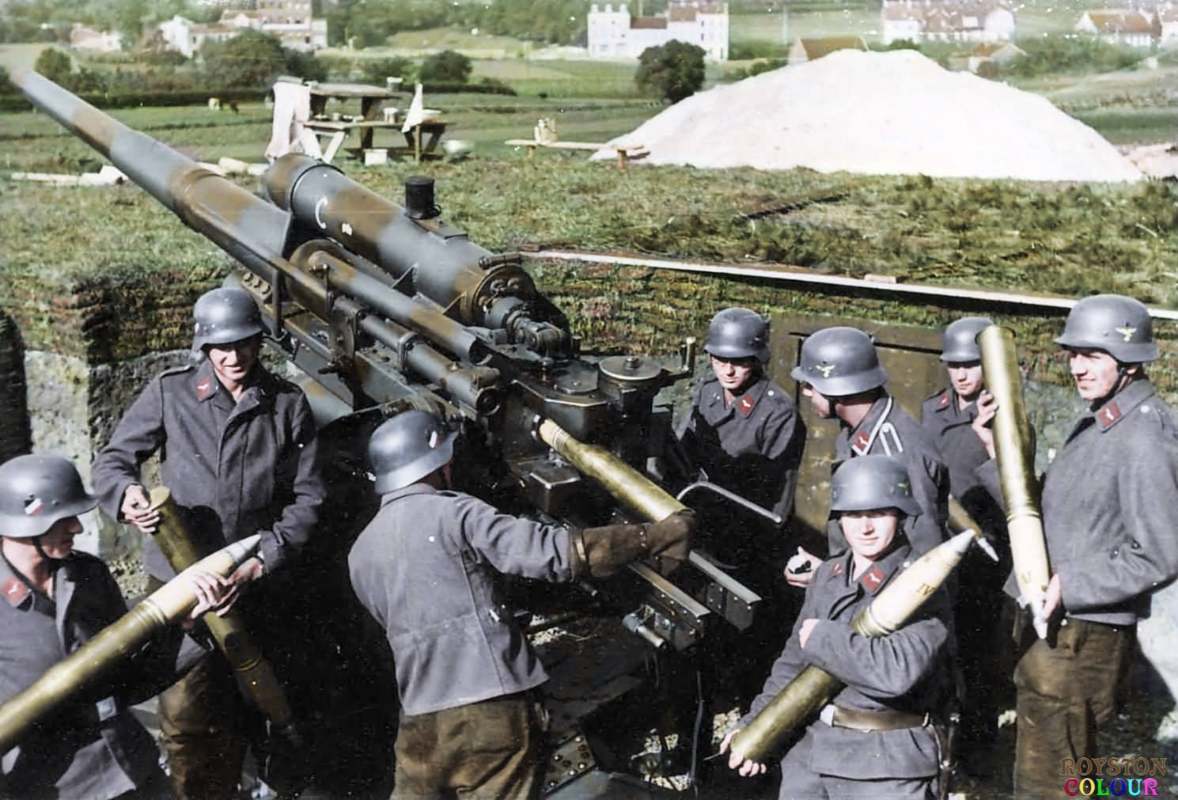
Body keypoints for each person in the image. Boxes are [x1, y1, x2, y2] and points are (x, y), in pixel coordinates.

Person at [348, 409, 695, 799]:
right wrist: (654, 535)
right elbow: (555, 555)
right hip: (491, 709)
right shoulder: (454, 512)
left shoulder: (359, 554)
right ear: (439, 463)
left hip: (421, 720)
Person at [91, 286, 325, 799]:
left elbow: (309, 499)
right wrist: (127, 493)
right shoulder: (170, 393)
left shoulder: (286, 404)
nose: (233, 357)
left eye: (243, 343)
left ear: (258, 342)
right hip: (180, 585)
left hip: (255, 585)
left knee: (270, 704)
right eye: (221, 347)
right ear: (204, 348)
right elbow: (112, 460)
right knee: (187, 715)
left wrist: (262, 560)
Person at [972, 294, 1178, 799]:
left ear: (1129, 363)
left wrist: (1073, 583)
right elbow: (1058, 515)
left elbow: (1161, 551)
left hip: (1082, 638)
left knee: (1051, 784)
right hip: (1060, 633)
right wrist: (998, 455)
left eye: (1092, 355)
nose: (1077, 367)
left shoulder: (1143, 435)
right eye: (1073, 354)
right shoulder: (1105, 421)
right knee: (1056, 773)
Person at [721, 455, 953, 800]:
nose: (865, 527)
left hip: (883, 766)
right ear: (839, 518)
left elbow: (896, 673)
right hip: (813, 754)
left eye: (878, 513)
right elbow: (792, 663)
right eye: (854, 515)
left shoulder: (921, 583)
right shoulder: (830, 574)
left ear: (901, 514)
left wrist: (825, 638)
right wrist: (757, 722)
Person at [0, 453, 226, 800]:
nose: (76, 527)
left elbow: (128, 680)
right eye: (64, 518)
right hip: (53, 788)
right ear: (25, 523)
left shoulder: (88, 575)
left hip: (134, 773)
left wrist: (189, 629)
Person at [786, 326, 949, 586]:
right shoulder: (855, 433)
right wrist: (832, 574)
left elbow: (923, 559)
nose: (806, 392)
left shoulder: (897, 452)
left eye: (810, 385)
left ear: (836, 387)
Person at [920, 316, 1013, 763]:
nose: (961, 375)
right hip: (940, 546)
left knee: (979, 658)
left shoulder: (1005, 415)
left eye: (971, 365)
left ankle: (977, 750)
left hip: (984, 551)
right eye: (954, 365)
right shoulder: (932, 410)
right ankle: (935, 743)